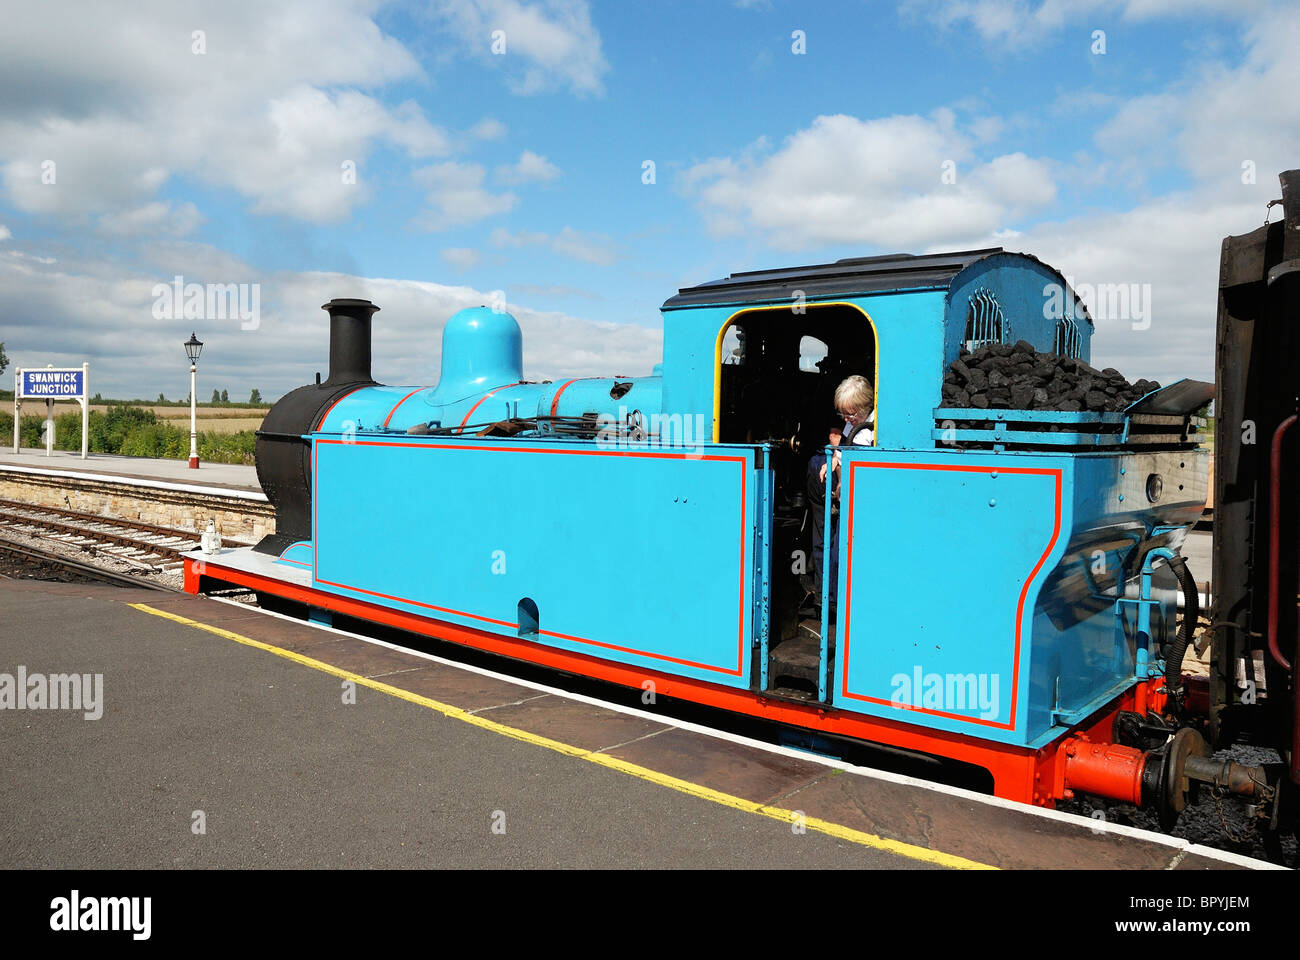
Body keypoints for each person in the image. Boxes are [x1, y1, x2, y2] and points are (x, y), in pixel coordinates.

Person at [806, 375, 875, 608]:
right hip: (841, 485)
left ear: (866, 407)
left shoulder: (872, 427)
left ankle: (832, 597)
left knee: (838, 549)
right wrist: (834, 459)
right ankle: (825, 594)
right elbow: (843, 448)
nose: (846, 419)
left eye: (851, 414)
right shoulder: (853, 421)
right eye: (843, 414)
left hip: (860, 494)